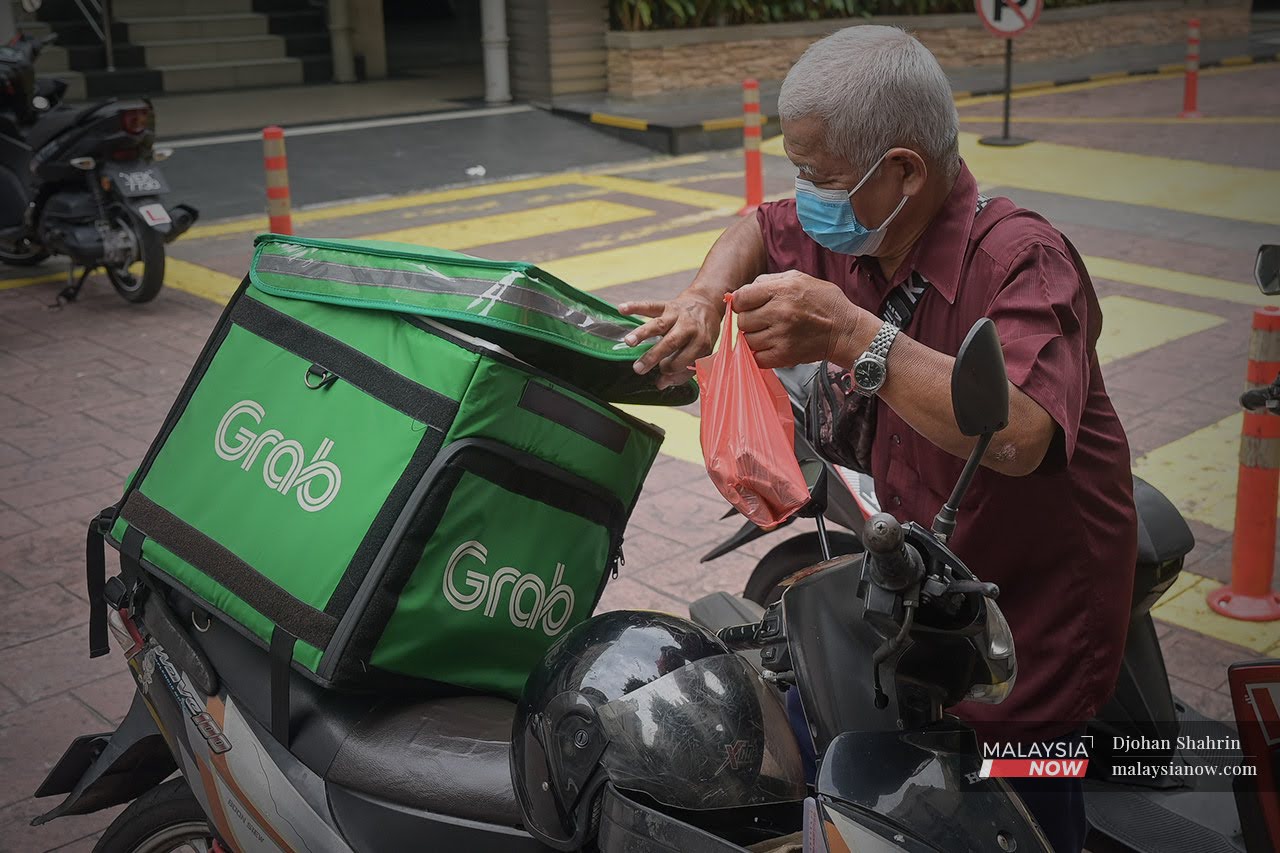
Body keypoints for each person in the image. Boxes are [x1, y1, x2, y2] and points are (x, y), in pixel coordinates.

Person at [619, 25, 1137, 853]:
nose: (807, 196)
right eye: (800, 169)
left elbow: (1020, 434)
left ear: (903, 170)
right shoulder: (859, 227)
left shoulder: (1022, 260)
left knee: (1029, 808)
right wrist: (704, 298)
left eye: (821, 176)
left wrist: (851, 334)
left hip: (1027, 623)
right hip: (924, 591)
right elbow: (760, 223)